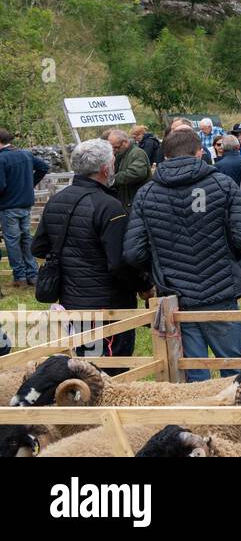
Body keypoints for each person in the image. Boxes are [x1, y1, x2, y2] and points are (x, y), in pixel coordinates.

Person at [122, 127, 241, 382]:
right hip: (219, 286)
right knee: (232, 366)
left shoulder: (147, 193)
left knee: (194, 373)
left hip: (176, 291)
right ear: (200, 152)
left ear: (166, 155)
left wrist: (160, 267)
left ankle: (200, 420)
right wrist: (224, 257)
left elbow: (133, 252)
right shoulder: (222, 184)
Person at [32, 139, 147, 367]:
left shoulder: (56, 200)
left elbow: (38, 247)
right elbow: (118, 262)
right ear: (106, 169)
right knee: (112, 368)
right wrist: (142, 286)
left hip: (72, 299)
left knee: (84, 365)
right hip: (108, 303)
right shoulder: (109, 206)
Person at [0, 128, 50, 289]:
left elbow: (1, 186)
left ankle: (20, 276)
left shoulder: (1, 159)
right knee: (26, 238)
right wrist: (30, 185)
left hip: (9, 205)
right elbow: (43, 167)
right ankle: (33, 274)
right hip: (26, 203)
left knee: (13, 241)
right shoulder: (25, 154)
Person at [101, 128, 151, 210]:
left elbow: (137, 173)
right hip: (127, 200)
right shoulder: (121, 154)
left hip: (137, 200)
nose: (114, 150)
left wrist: (112, 180)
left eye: (116, 147)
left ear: (125, 142)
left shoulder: (137, 153)